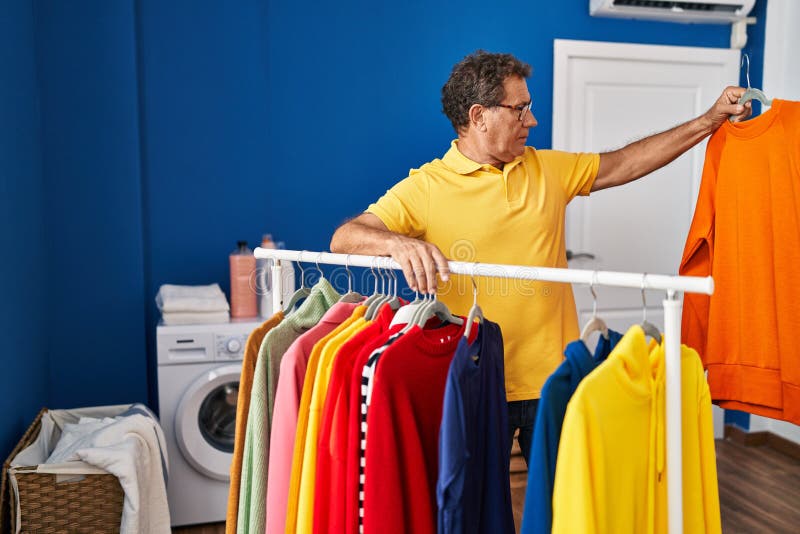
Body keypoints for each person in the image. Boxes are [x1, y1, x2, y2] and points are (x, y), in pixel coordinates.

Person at [329, 50, 751, 466]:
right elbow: (344, 238)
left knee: (564, 512)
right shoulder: (425, 188)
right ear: (479, 116)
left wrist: (709, 119)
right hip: (475, 380)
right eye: (519, 109)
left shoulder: (548, 169)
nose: (531, 120)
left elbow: (625, 163)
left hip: (555, 380)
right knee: (476, 515)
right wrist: (399, 244)